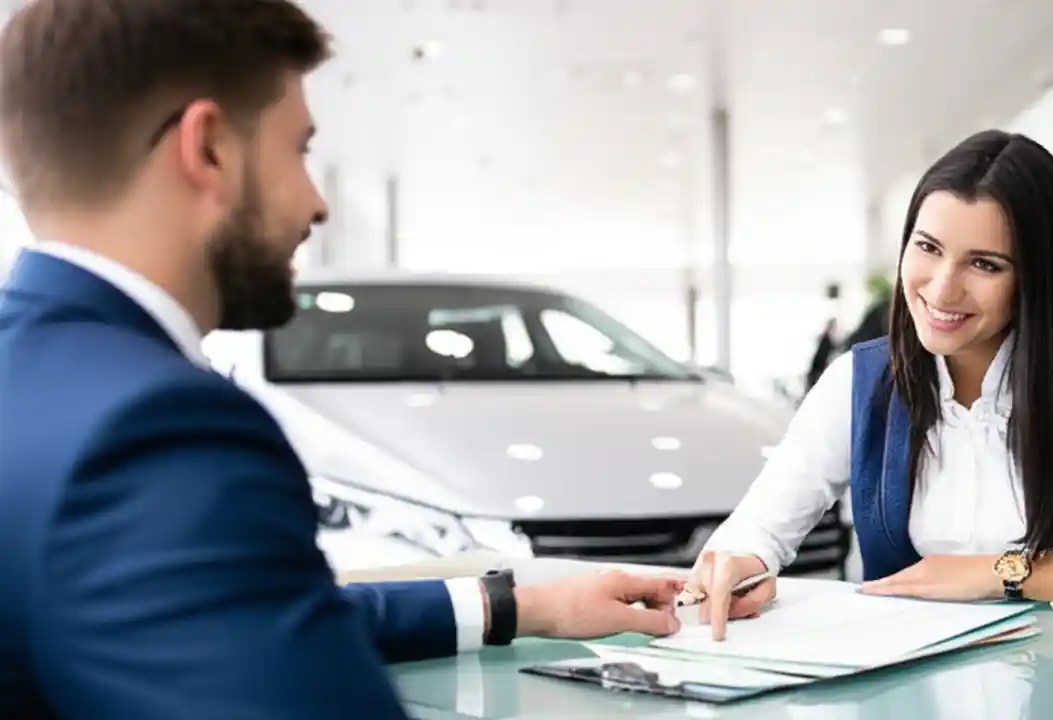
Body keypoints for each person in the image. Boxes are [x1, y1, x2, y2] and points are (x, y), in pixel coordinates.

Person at [0, 2, 681, 718]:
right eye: (299, 151)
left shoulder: (35, 380)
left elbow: (228, 612)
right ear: (210, 150)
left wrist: (518, 605)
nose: (317, 204)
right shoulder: (161, 428)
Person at [681, 130, 1053, 639]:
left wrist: (1003, 573)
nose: (941, 289)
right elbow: (753, 533)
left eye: (984, 264)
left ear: (1036, 279)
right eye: (928, 248)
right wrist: (743, 561)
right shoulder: (859, 382)